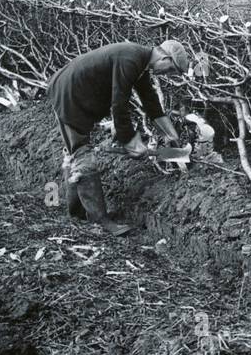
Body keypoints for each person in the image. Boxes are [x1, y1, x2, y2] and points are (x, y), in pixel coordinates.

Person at [46, 39, 190, 235]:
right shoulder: (131, 59)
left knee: (73, 154)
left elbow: (150, 102)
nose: (167, 75)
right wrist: (130, 140)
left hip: (73, 91)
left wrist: (171, 135)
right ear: (165, 58)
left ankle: (76, 214)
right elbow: (119, 103)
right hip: (70, 94)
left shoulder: (140, 61)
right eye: (170, 70)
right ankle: (100, 221)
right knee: (82, 156)